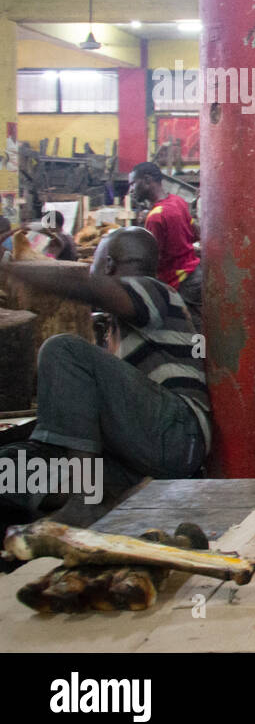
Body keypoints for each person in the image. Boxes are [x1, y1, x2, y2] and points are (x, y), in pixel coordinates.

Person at [0, 228, 209, 522]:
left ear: (109, 265)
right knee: (11, 468)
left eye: (94, 264)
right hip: (135, 455)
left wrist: (12, 270)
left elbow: (86, 287)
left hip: (176, 435)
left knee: (63, 349)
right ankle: (76, 505)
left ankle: (84, 499)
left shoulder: (157, 292)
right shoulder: (123, 330)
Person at [129, 161, 202, 327]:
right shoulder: (178, 202)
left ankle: (199, 353)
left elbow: (152, 261)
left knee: (191, 333)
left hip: (179, 284)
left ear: (147, 180)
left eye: (133, 183)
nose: (130, 190)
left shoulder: (156, 217)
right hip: (195, 275)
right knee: (202, 330)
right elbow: (195, 233)